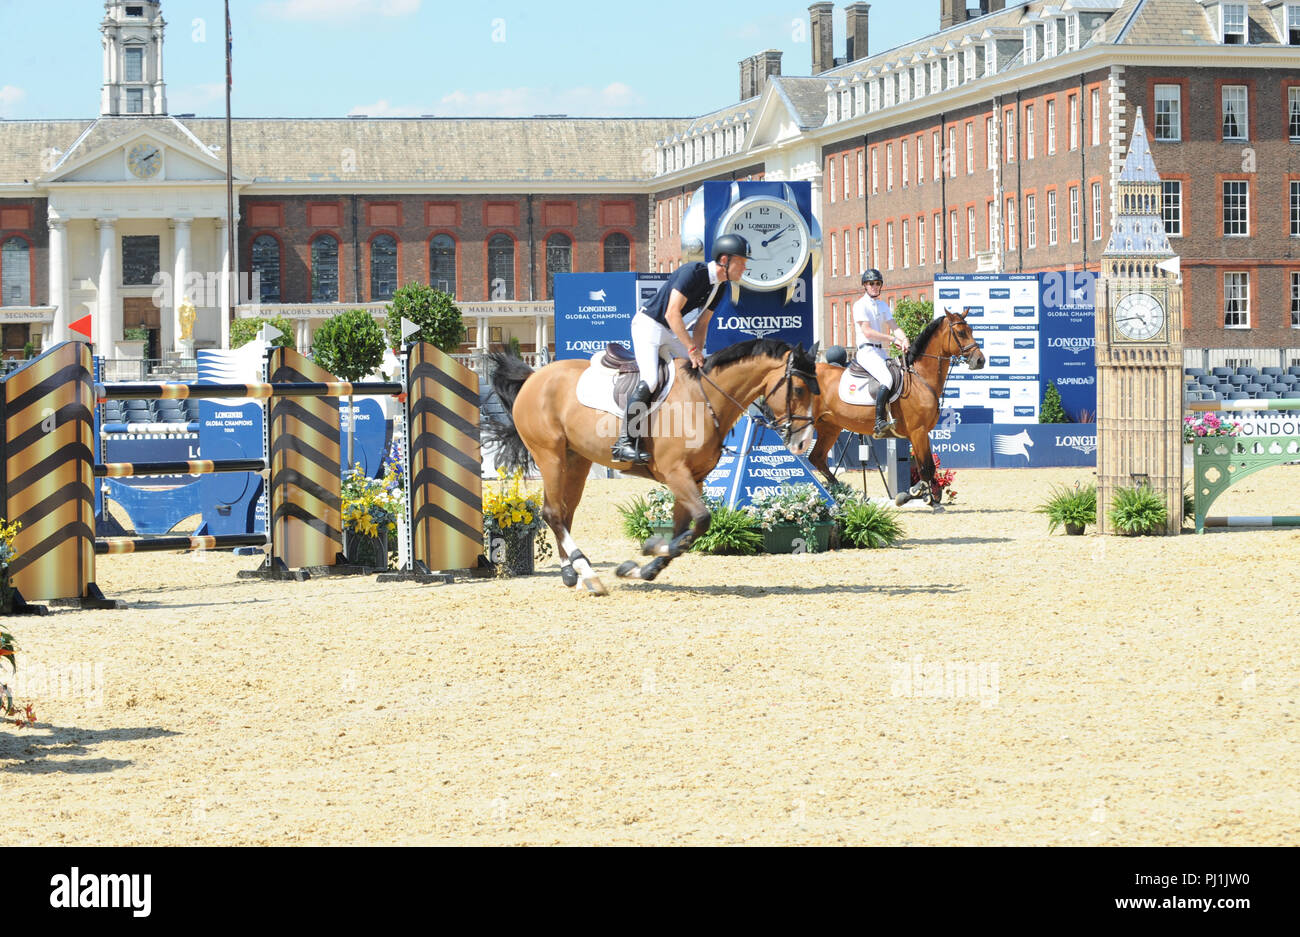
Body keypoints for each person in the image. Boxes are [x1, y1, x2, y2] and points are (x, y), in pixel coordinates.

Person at [610, 233, 750, 464]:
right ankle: (624, 442)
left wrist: (699, 355)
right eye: (742, 262)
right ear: (725, 260)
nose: (744, 268)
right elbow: (671, 313)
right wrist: (691, 350)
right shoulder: (693, 272)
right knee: (651, 380)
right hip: (649, 326)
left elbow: (702, 324)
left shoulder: (721, 288)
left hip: (670, 331)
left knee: (705, 372)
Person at [851, 268, 910, 437]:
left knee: (901, 373)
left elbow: (894, 326)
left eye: (877, 283)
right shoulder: (859, 305)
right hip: (866, 351)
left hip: (880, 352)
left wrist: (904, 339)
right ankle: (879, 421)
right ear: (865, 285)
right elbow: (868, 332)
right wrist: (892, 339)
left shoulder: (883, 305)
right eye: (871, 284)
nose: (875, 286)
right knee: (887, 377)